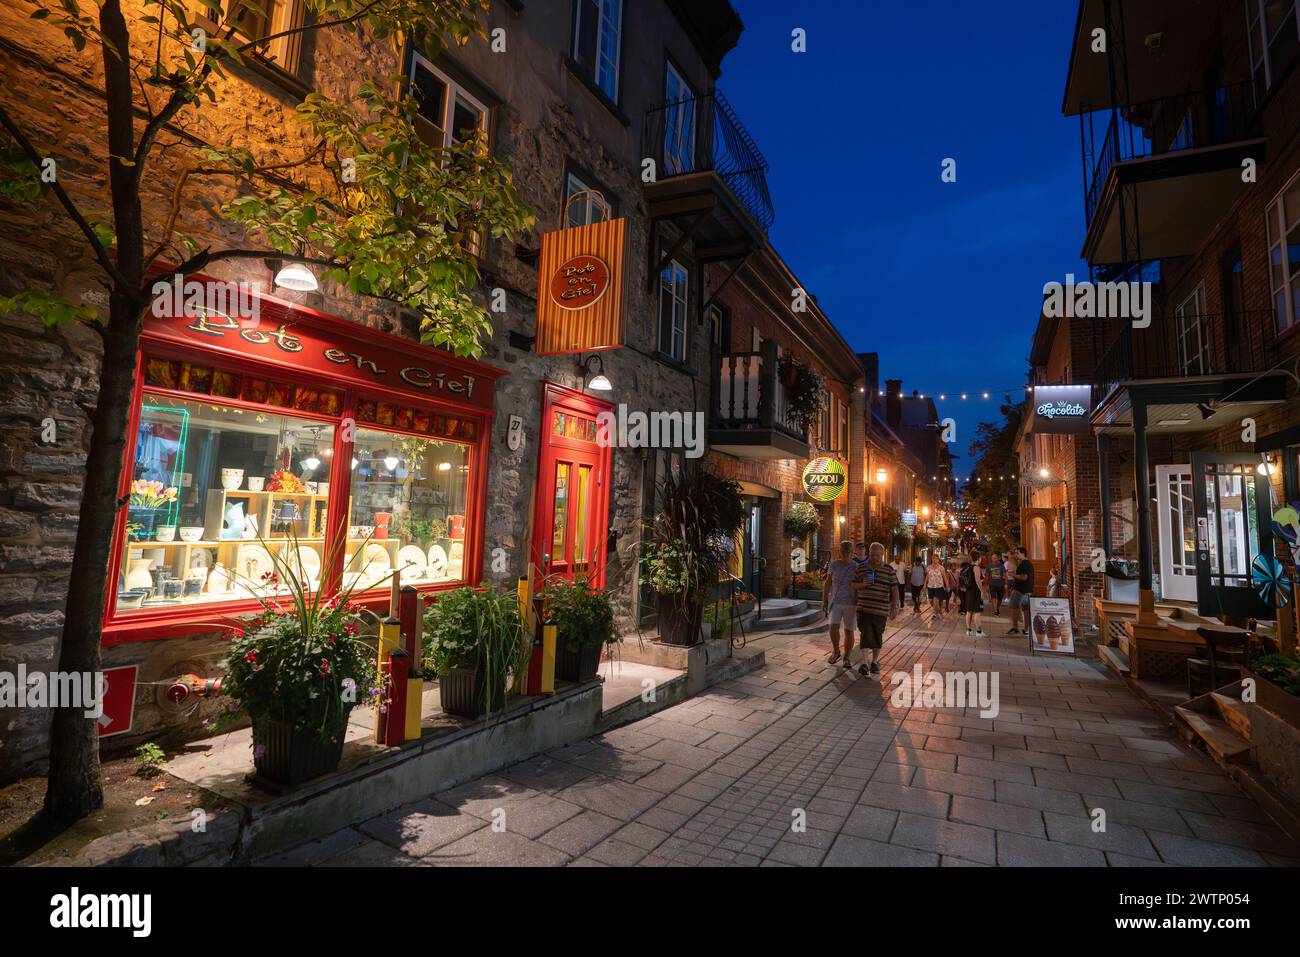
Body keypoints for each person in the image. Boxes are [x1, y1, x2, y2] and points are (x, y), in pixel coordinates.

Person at [851, 542, 893, 675]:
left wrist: (895, 606)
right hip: (864, 608)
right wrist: (862, 584)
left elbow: (895, 588)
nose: (875, 558)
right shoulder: (862, 568)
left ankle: (874, 662)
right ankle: (864, 663)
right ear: (869, 554)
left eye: (878, 555)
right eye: (873, 555)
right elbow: (853, 584)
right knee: (865, 634)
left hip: (881, 609)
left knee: (877, 635)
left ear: (882, 555)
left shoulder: (888, 569)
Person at [822, 541, 859, 667]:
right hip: (835, 601)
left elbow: (860, 585)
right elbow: (827, 583)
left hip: (851, 603)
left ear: (852, 553)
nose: (845, 554)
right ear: (839, 552)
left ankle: (847, 657)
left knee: (849, 631)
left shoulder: (856, 567)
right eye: (843, 552)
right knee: (833, 627)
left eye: (848, 552)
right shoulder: (834, 565)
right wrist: (825, 600)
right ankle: (836, 651)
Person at [1007, 548, 1036, 635]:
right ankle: (1026, 629)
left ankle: (1015, 628)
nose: (1016, 554)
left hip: (1020, 590)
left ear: (1023, 553)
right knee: (1025, 609)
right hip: (1027, 590)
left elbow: (1024, 577)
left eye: (1017, 553)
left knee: (1014, 607)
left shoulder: (1025, 563)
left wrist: (1013, 575)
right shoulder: (1027, 563)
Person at [958, 558, 985, 638]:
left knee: (969, 611)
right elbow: (978, 580)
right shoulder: (976, 567)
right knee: (977, 612)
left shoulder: (967, 567)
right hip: (976, 592)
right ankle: (979, 631)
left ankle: (969, 630)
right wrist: (982, 591)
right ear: (979, 558)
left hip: (969, 592)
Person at [924, 553, 947, 619]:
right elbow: (927, 577)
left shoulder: (941, 568)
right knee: (931, 601)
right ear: (931, 559)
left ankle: (935, 613)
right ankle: (939, 611)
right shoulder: (928, 567)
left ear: (938, 559)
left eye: (936, 558)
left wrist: (947, 585)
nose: (934, 560)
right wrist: (924, 585)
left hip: (939, 586)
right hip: (930, 586)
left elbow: (944, 577)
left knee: (936, 600)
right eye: (933, 558)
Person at [986, 551, 1006, 615]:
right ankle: (995, 611)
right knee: (993, 597)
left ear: (998, 558)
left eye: (995, 558)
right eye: (992, 558)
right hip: (992, 584)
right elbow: (987, 576)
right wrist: (986, 585)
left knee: (1000, 598)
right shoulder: (989, 566)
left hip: (1000, 584)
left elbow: (1005, 575)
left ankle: (997, 608)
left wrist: (1006, 584)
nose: (993, 559)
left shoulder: (1002, 566)